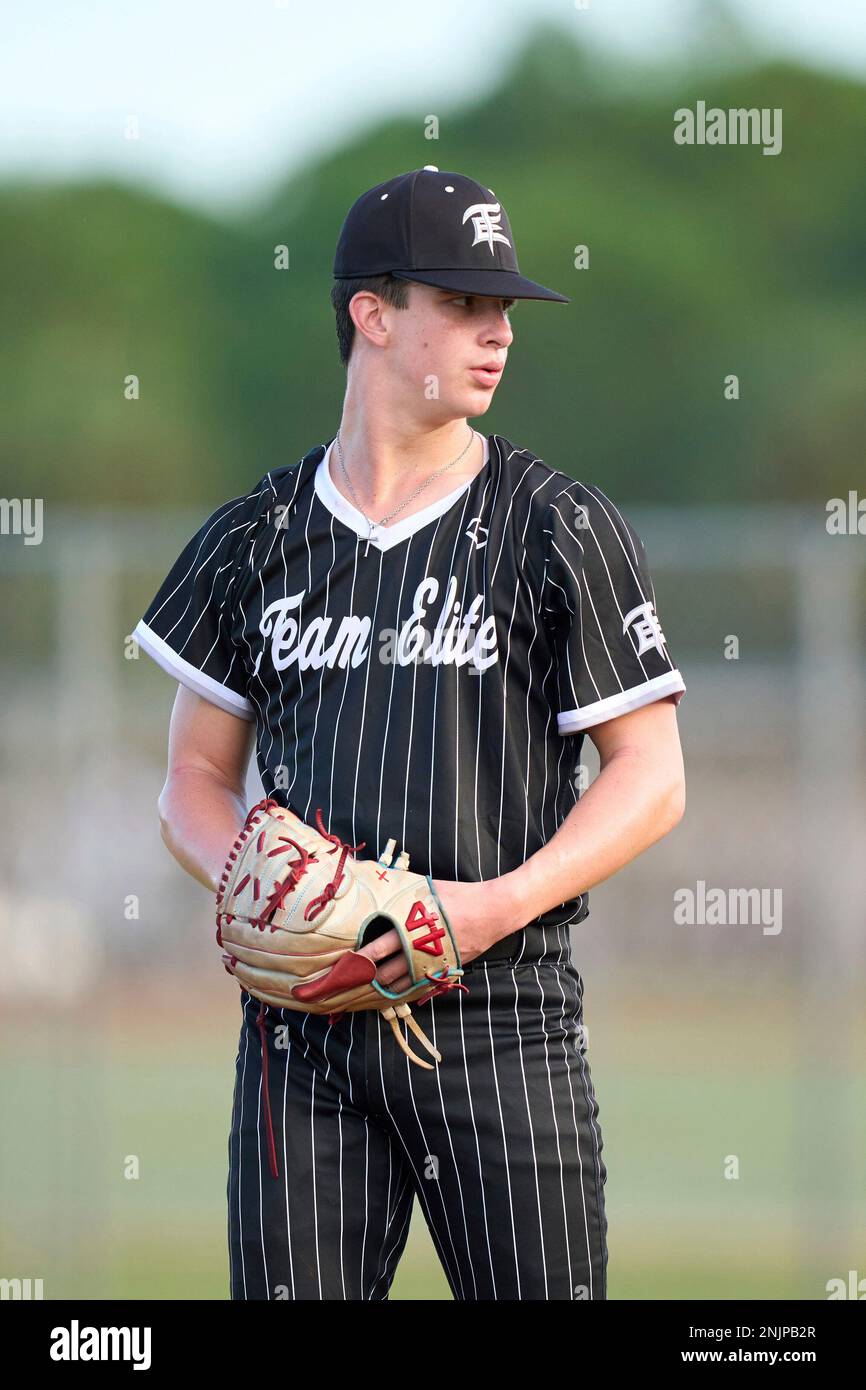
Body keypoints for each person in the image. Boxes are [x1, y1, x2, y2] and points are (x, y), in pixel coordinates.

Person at [134, 165, 686, 1301]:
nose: (498, 334)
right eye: (464, 304)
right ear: (371, 315)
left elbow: (652, 775)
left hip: (503, 1022)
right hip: (304, 1030)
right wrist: (252, 879)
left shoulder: (554, 525)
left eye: (504, 311)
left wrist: (485, 907)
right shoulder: (255, 535)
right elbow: (191, 776)